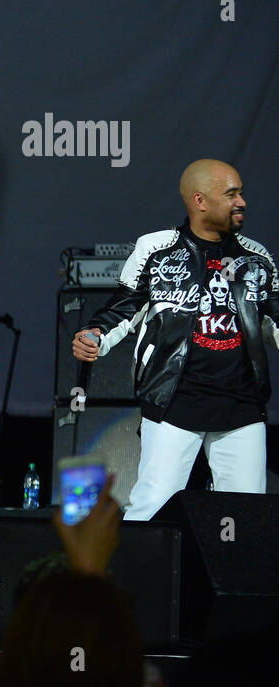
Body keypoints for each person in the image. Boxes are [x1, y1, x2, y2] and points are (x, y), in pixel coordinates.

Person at [73, 159, 278, 519]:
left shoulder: (257, 258)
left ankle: (231, 577)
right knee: (153, 507)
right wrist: (97, 335)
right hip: (173, 403)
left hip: (242, 406)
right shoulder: (156, 249)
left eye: (241, 192)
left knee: (248, 517)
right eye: (231, 194)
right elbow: (124, 307)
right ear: (200, 201)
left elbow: (275, 318)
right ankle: (138, 576)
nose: (241, 202)